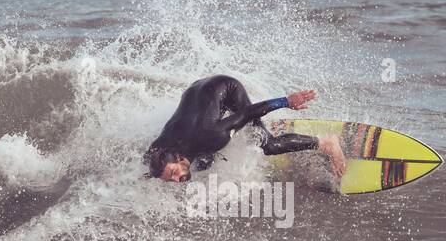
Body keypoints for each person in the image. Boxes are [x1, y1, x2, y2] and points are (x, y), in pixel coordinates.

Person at [144, 74, 345, 182]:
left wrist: (286, 101)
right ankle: (255, 127)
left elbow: (248, 113)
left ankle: (326, 143)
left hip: (226, 88)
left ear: (178, 158)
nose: (177, 179)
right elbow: (151, 164)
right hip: (196, 88)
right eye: (169, 179)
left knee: (269, 145)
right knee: (205, 160)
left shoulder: (214, 136)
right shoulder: (158, 150)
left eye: (173, 174)